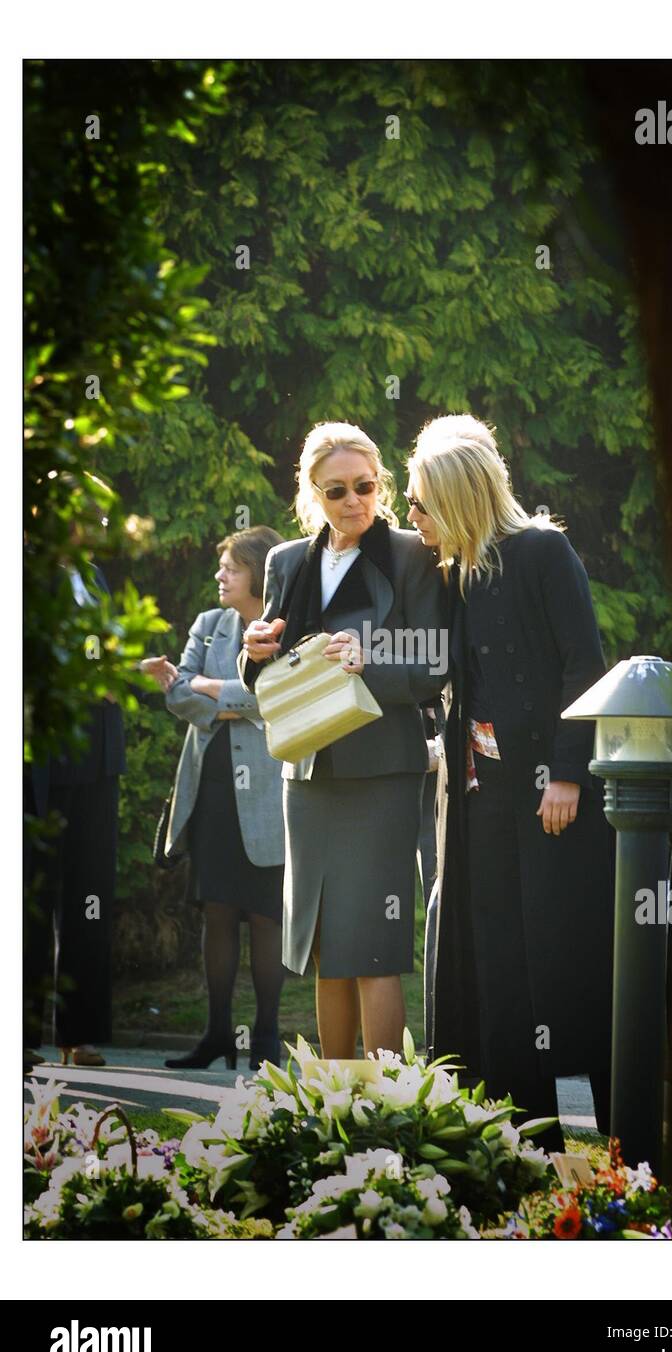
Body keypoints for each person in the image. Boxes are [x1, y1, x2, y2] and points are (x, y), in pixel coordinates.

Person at [406, 414, 615, 1153]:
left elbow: (581, 667)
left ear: (458, 498)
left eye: (420, 503)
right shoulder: (455, 569)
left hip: (551, 798)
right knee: (490, 952)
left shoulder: (542, 550)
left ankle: (589, 1139)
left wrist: (565, 775)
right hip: (480, 797)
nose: (411, 517)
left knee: (555, 954)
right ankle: (503, 1128)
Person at [240, 421, 447, 1061]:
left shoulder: (412, 554)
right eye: (337, 492)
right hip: (306, 774)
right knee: (327, 944)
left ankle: (385, 1106)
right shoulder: (286, 561)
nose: (354, 501)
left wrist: (367, 660)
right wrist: (252, 655)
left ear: (380, 484)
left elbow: (436, 662)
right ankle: (337, 1103)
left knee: (374, 945)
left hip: (382, 773)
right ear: (313, 494)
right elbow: (269, 675)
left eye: (365, 486)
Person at [162, 525, 288, 1071]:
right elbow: (176, 692)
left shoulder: (285, 626)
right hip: (210, 791)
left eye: (230, 568)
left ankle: (265, 1037)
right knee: (217, 912)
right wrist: (233, 698)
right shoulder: (209, 625)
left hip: (265, 792)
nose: (219, 576)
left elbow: (279, 698)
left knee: (264, 915)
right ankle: (216, 1034)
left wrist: (212, 692)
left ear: (257, 573)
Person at [25, 522, 127, 1070]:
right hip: (40, 758)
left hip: (96, 759)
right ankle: (19, 1037)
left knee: (89, 898)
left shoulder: (94, 576)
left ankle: (78, 1035)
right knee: (32, 898)